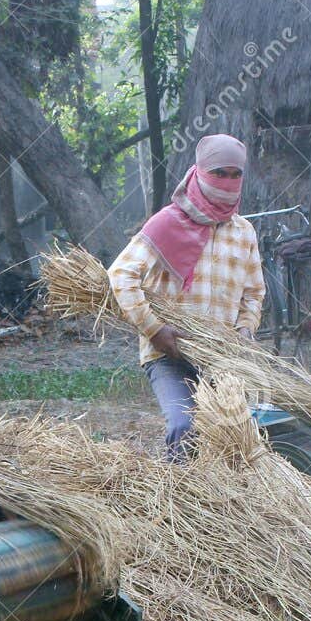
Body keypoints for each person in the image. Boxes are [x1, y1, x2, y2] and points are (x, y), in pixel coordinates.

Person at [108, 134, 264, 459]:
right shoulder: (168, 222)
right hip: (169, 354)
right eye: (219, 172)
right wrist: (154, 329)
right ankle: (174, 504)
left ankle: (227, 505)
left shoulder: (243, 232)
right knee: (185, 428)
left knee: (238, 437)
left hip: (220, 357)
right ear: (201, 171)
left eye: (236, 174)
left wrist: (246, 330)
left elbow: (253, 293)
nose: (228, 181)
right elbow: (120, 275)